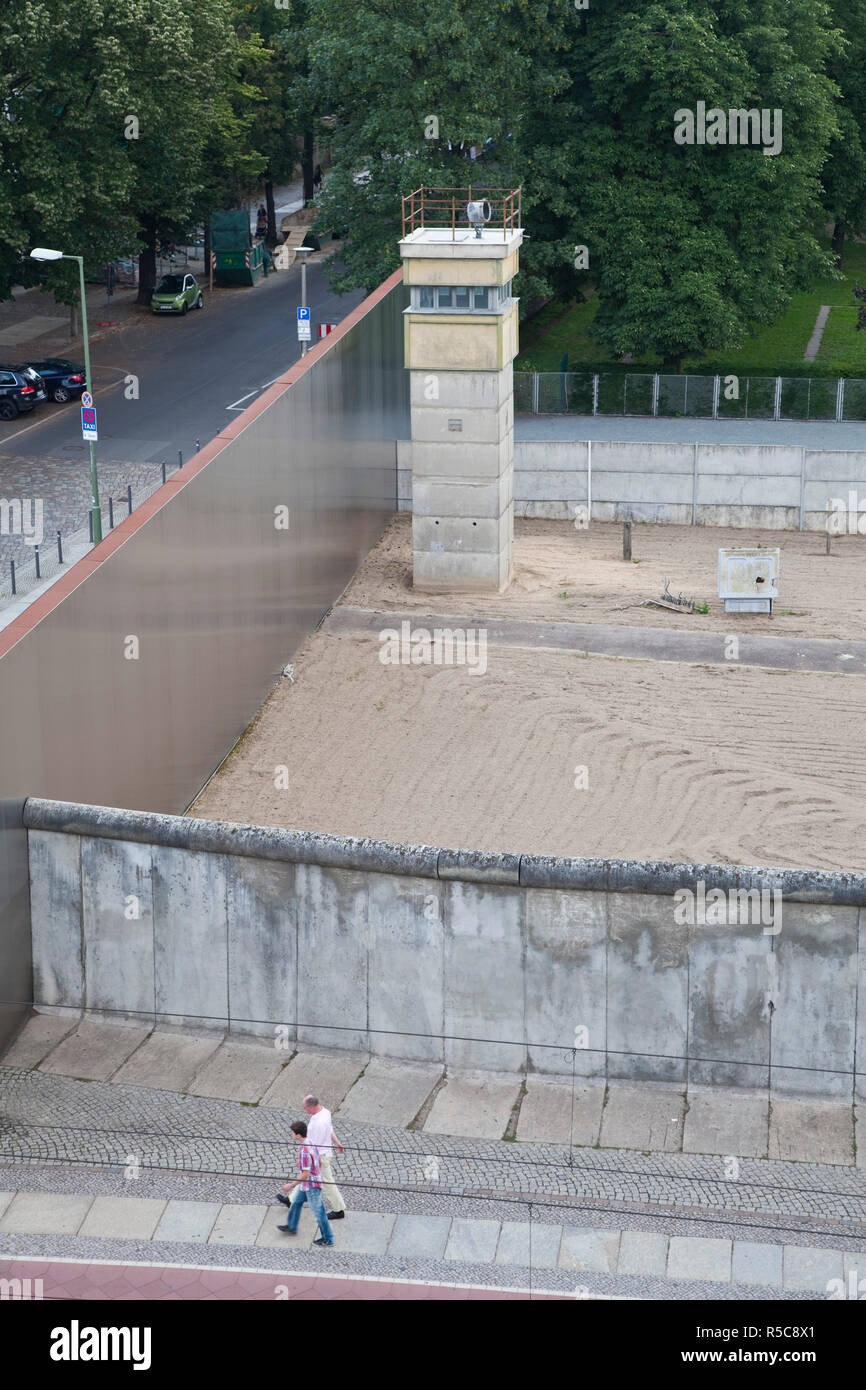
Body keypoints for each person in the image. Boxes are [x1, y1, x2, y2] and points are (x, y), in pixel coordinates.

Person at [277, 1120, 334, 1246]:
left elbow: (306, 1174)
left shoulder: (304, 1151)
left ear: (298, 1135)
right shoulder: (310, 1143)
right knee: (296, 1202)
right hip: (309, 1183)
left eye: (293, 1133)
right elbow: (316, 1159)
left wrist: (291, 1185)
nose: (291, 1134)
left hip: (311, 1186)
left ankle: (328, 1239)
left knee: (319, 1213)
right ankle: (292, 1226)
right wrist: (301, 1163)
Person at [304, 1094, 346, 1219]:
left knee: (327, 1183)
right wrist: (337, 1142)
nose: (305, 1110)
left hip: (320, 1156)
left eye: (305, 1108)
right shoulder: (325, 1112)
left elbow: (314, 1144)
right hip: (320, 1154)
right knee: (306, 1177)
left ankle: (339, 1209)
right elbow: (330, 1129)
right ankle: (291, 1200)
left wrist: (305, 1157)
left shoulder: (319, 1123)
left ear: (311, 1107)